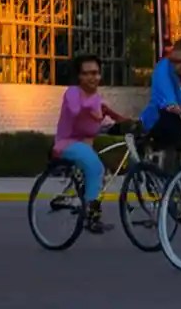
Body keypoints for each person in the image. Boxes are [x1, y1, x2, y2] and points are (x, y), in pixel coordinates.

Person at [53, 54, 129, 234]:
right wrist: (94, 112)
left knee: (98, 173)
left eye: (95, 73)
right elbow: (75, 111)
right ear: (79, 76)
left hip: (85, 144)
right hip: (66, 144)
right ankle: (91, 217)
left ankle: (77, 199)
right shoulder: (72, 92)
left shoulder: (97, 99)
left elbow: (110, 116)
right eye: (86, 73)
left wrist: (130, 122)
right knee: (95, 167)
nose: (91, 77)